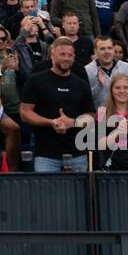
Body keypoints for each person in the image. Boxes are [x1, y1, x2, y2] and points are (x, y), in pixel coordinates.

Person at [20, 37, 95, 172]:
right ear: (52, 55)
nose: (66, 58)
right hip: (45, 155)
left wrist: (72, 123)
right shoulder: (36, 80)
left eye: (70, 55)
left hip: (78, 154)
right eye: (62, 54)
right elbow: (25, 113)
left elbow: (91, 116)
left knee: (78, 193)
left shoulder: (81, 84)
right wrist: (51, 122)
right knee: (47, 193)